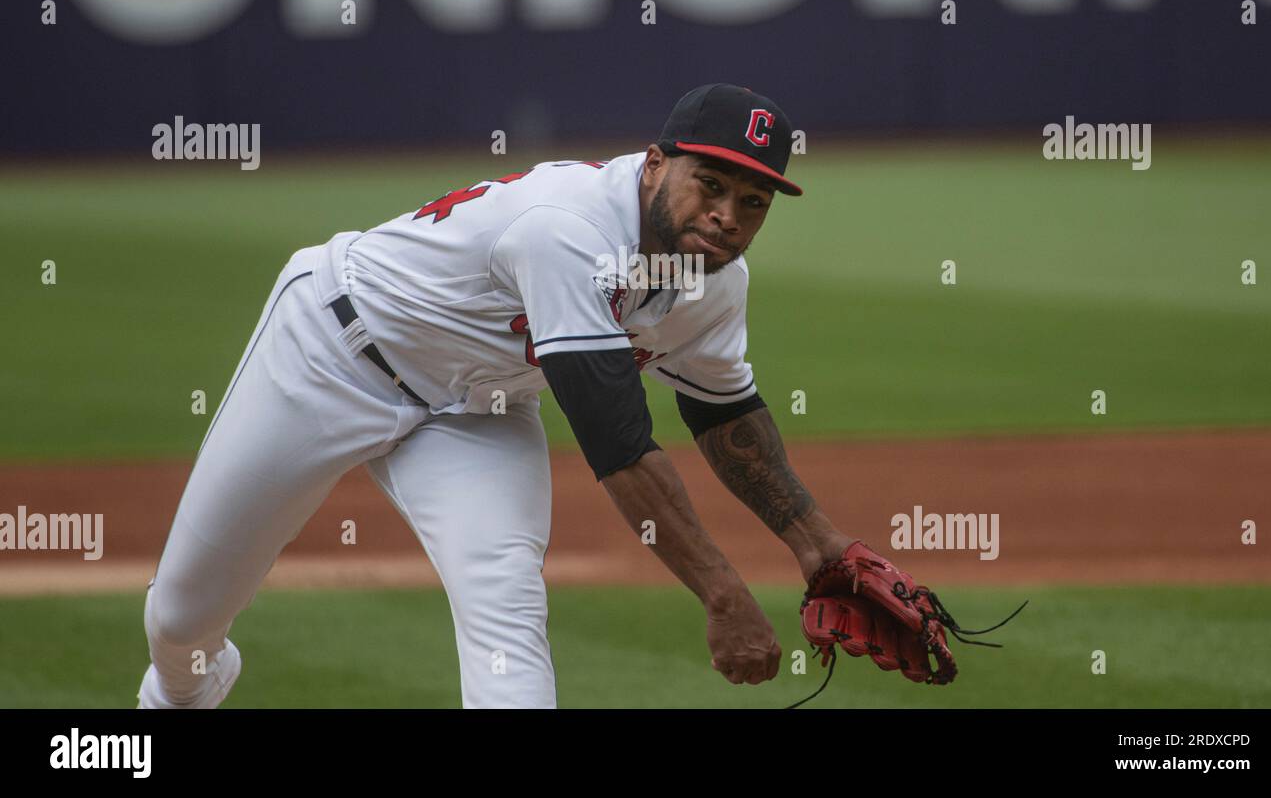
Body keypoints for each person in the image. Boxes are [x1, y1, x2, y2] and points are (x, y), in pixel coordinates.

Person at [138, 82, 858, 709]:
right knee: (181, 620)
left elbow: (724, 410)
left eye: (754, 201)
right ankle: (178, 695)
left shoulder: (715, 282)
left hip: (477, 410)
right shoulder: (569, 231)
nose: (730, 215)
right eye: (712, 184)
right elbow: (619, 444)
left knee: (505, 605)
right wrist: (723, 595)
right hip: (331, 352)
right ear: (656, 164)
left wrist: (822, 549)